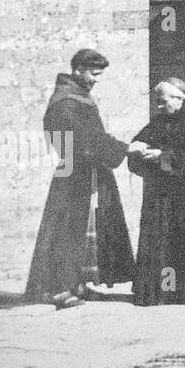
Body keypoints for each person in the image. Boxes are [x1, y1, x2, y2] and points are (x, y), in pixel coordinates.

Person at [24, 49, 136, 309]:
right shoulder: (66, 103)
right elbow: (87, 141)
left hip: (87, 171)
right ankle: (58, 290)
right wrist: (124, 148)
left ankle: (77, 283)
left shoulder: (78, 98)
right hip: (74, 173)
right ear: (78, 70)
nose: (96, 79)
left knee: (85, 232)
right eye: (94, 74)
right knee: (66, 232)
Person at [127, 79, 185, 306]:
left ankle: (182, 293)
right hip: (159, 196)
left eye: (161, 101)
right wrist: (137, 146)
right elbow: (141, 140)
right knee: (159, 242)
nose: (157, 106)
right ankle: (161, 291)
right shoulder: (160, 121)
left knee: (183, 241)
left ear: (178, 99)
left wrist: (160, 156)